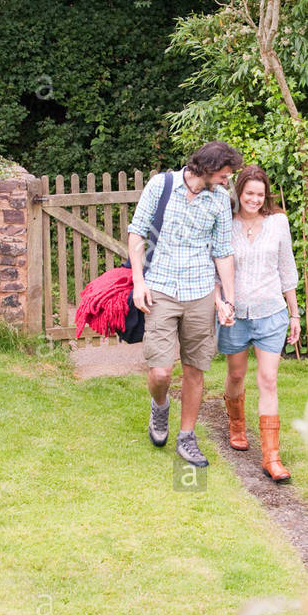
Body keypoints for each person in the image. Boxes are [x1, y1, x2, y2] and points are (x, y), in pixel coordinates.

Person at [127, 141, 242, 469]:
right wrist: (138, 282)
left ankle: (187, 436)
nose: (226, 180)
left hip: (201, 291)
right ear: (206, 169)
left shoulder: (220, 199)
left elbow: (223, 251)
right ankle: (160, 407)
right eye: (223, 174)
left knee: (195, 368)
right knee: (161, 371)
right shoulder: (161, 185)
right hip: (160, 289)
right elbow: (137, 235)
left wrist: (228, 300)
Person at [216, 165, 302, 483]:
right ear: (239, 193)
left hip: (271, 314)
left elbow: (286, 268)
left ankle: (272, 457)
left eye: (260, 194)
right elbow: (215, 268)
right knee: (236, 374)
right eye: (249, 193)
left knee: (269, 380)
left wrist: (294, 314)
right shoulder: (226, 223)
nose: (254, 199)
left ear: (267, 196)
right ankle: (237, 426)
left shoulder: (278, 222)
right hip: (235, 316)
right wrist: (221, 302)